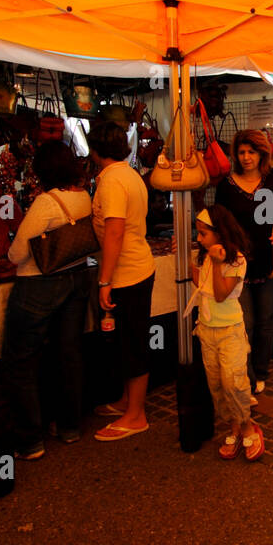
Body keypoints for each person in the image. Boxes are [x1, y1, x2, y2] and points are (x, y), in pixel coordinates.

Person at [3, 140, 94, 459]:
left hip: (39, 286)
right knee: (68, 353)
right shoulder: (83, 197)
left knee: (20, 360)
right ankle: (69, 427)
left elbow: (17, 253)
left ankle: (30, 440)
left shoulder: (46, 202)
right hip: (77, 281)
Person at [88, 120, 156, 442]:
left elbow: (114, 230)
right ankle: (128, 402)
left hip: (127, 273)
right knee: (128, 341)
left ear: (94, 149)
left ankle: (136, 415)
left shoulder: (113, 181)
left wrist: (105, 281)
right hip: (135, 268)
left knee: (132, 342)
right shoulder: (128, 175)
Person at [214, 129, 273, 396]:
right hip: (237, 264)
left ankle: (262, 371)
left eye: (251, 152)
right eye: (242, 152)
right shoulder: (225, 187)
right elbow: (219, 223)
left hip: (268, 263)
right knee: (244, 322)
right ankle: (247, 374)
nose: (246, 157)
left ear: (261, 154)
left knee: (266, 320)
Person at [189, 206, 263, 461]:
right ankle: (233, 427)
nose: (199, 238)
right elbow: (201, 284)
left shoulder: (236, 260)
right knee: (217, 385)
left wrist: (219, 263)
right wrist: (186, 259)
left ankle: (247, 427)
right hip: (206, 329)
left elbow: (221, 295)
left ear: (219, 232)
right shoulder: (204, 256)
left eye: (203, 233)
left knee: (234, 382)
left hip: (230, 330)